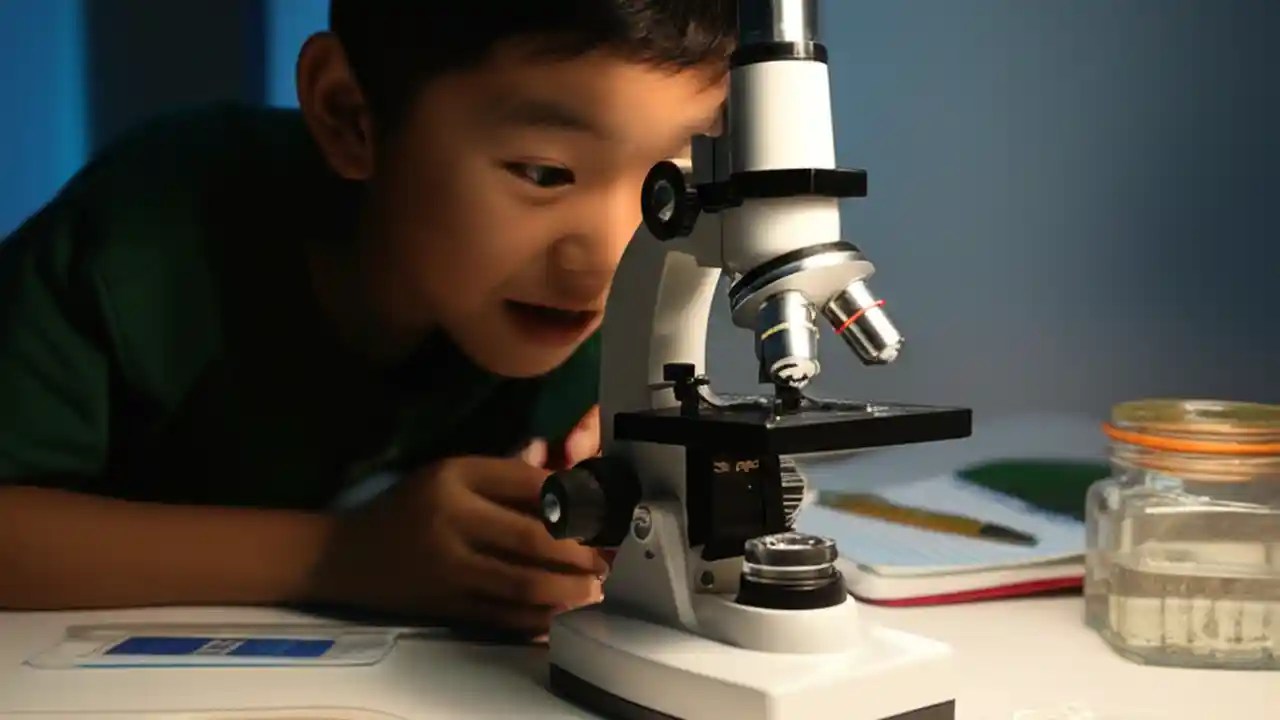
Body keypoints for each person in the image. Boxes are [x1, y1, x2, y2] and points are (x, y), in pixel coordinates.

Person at [0, 2, 732, 637]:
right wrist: (342, 557)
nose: (606, 258)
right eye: (544, 173)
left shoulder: (563, 299)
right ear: (351, 115)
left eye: (665, 183)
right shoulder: (140, 245)